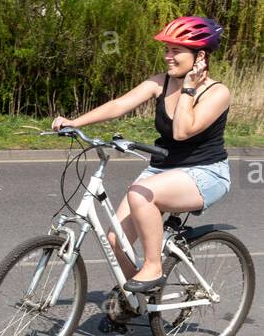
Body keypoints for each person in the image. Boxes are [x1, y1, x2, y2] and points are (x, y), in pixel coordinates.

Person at [51, 16, 231, 293]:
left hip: (204, 173)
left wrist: (189, 89)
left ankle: (153, 266)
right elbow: (119, 105)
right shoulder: (160, 82)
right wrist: (76, 122)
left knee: (139, 193)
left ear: (200, 56)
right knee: (115, 239)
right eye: (166, 50)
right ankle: (140, 298)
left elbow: (183, 131)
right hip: (162, 170)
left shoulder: (218, 92)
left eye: (176, 51)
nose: (168, 57)